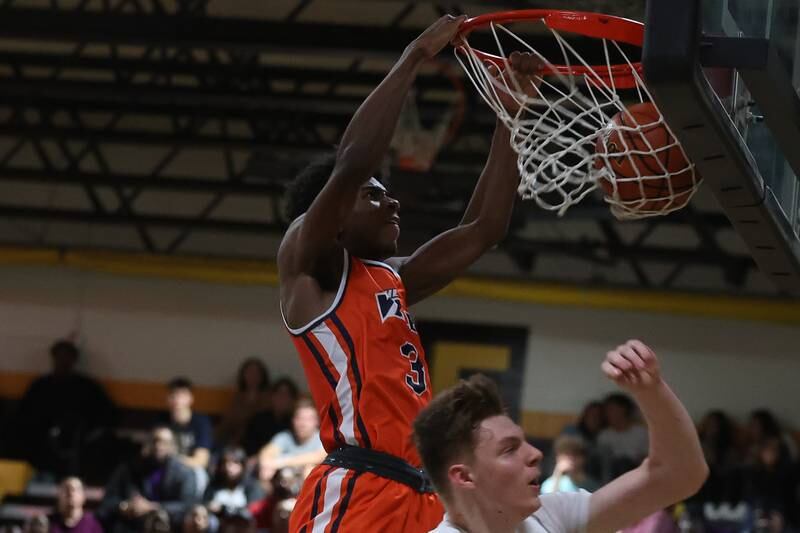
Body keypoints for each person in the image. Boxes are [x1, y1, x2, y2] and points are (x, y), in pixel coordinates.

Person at [278, 13, 538, 531]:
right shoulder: (310, 265)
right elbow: (351, 163)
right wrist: (414, 57)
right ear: (332, 211)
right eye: (375, 194)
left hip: (422, 494)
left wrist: (512, 115)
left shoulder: (391, 279)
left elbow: (485, 227)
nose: (391, 200)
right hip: (358, 487)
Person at [413, 340, 708, 533]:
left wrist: (651, 391)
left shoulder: (550, 515)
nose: (535, 454)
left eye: (524, 441)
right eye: (509, 450)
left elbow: (678, 475)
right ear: (464, 477)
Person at [13, 339, 115, 479]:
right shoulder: (40, 386)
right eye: (59, 357)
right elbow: (23, 417)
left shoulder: (87, 387)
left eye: (67, 357)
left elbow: (106, 416)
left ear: (74, 360)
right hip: (43, 446)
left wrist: (85, 434)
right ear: (53, 358)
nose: (63, 361)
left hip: (78, 446)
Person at [96, 426, 196, 533]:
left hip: (168, 523)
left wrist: (152, 507)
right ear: (148, 443)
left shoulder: (184, 473)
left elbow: (187, 505)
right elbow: (109, 499)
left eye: (165, 442)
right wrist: (125, 507)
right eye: (155, 440)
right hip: (132, 522)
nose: (158, 446)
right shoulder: (130, 468)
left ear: (173, 446)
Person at [163, 377, 213, 494]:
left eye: (182, 395)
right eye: (173, 395)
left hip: (191, 471)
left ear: (190, 398)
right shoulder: (161, 422)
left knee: (195, 474)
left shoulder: (201, 423)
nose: (177, 399)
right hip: (166, 471)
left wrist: (176, 461)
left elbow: (201, 460)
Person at [258, 398, 325, 482]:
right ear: (293, 420)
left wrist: (279, 463)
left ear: (317, 421)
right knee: (265, 472)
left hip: (308, 489)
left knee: (310, 470)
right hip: (283, 486)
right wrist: (269, 465)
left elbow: (319, 457)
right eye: (300, 418)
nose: (303, 424)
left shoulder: (323, 439)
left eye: (308, 419)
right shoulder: (285, 437)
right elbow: (266, 454)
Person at [215, 358, 271, 449]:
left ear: (262, 376)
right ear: (243, 375)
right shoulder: (238, 396)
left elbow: (260, 422)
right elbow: (228, 420)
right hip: (232, 439)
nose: (253, 376)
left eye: (256, 373)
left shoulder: (268, 397)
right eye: (249, 372)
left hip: (256, 442)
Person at [596, 392, 648, 481]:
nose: (609, 414)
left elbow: (647, 456)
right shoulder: (604, 435)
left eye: (613, 409)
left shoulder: (640, 432)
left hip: (635, 471)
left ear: (624, 409)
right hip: (611, 474)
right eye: (607, 410)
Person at [240, 377, 298, 457]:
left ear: (293, 400)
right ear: (272, 397)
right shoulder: (258, 419)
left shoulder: (296, 422)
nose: (282, 398)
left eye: (286, 395)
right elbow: (248, 446)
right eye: (279, 393)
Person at [204, 447, 263, 517]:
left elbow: (252, 511)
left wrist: (224, 509)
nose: (228, 467)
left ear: (243, 466)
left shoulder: (252, 487)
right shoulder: (214, 485)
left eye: (235, 463)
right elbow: (205, 505)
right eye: (225, 462)